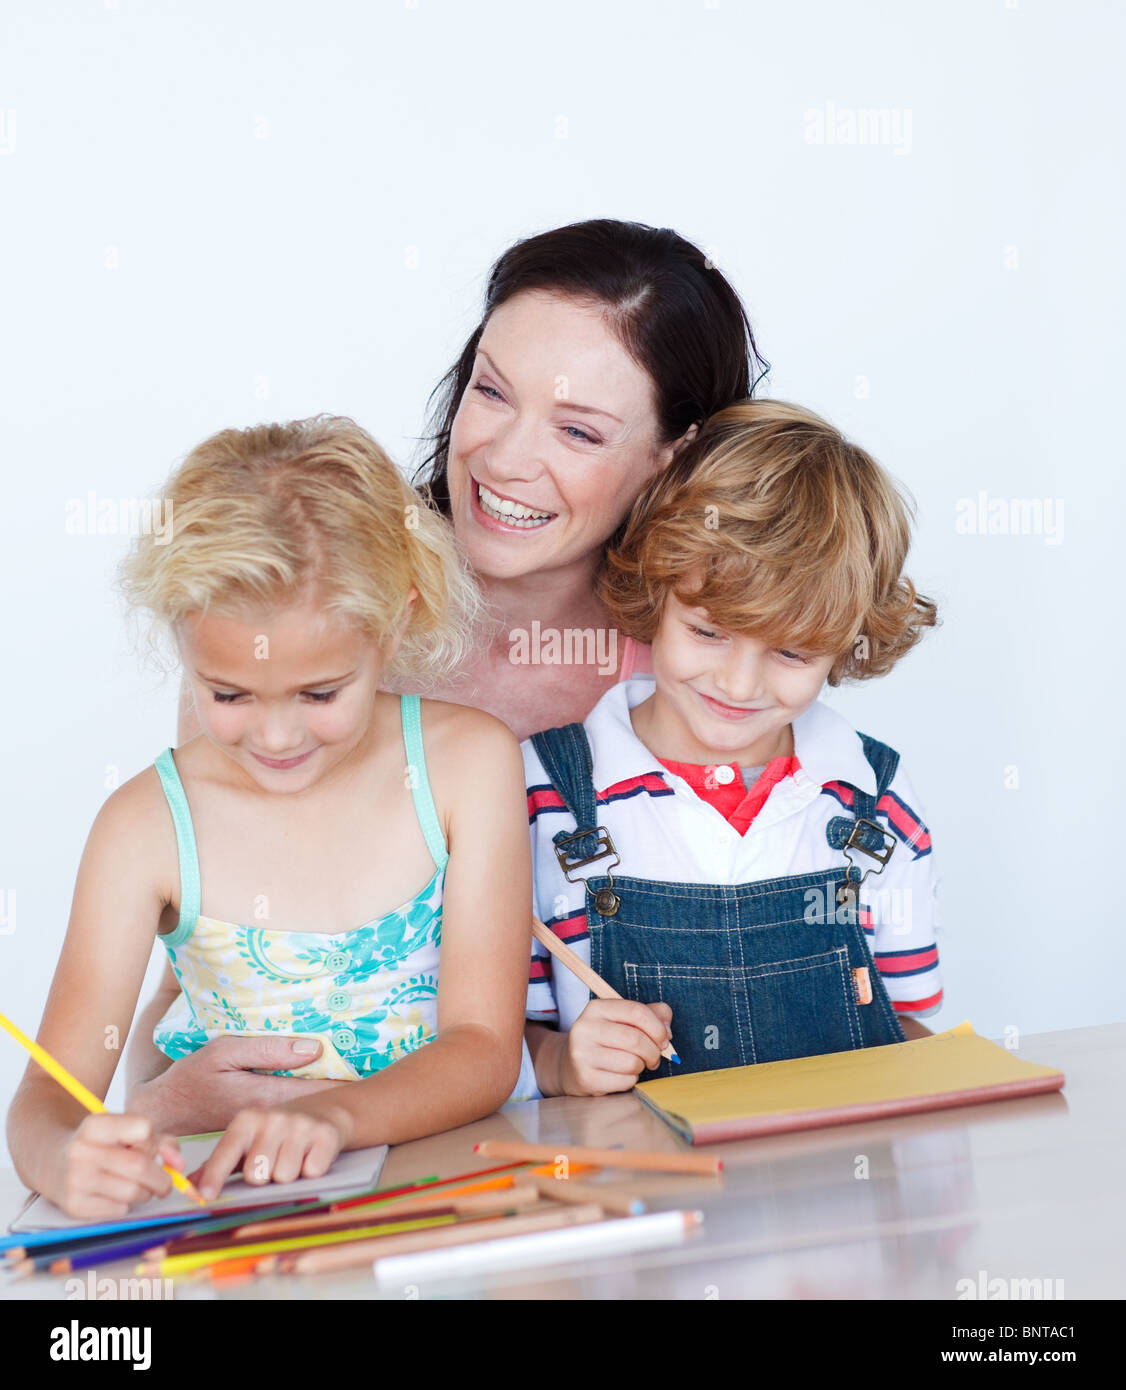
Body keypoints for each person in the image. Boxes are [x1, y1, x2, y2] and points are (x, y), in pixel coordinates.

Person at [126, 218, 770, 1130]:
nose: (504, 459)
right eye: (492, 392)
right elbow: (189, 995)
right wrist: (162, 1106)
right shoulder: (313, 624)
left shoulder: (701, 675)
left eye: (580, 431)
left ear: (674, 452)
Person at [5, 416, 532, 1217]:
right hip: (239, 1224)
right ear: (183, 643)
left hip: (453, 1198)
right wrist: (66, 1157)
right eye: (229, 694)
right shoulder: (143, 828)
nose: (278, 736)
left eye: (320, 693)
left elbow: (486, 1049)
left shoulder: (467, 765)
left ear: (394, 623)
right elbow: (51, 1095)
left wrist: (333, 1114)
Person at [520, 400, 942, 1099]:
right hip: (641, 1192)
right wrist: (562, 1063)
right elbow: (502, 1040)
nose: (739, 684)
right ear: (656, 590)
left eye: (790, 651)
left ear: (844, 645)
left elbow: (908, 1032)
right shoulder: (544, 796)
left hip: (836, 1192)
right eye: (708, 632)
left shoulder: (882, 808)